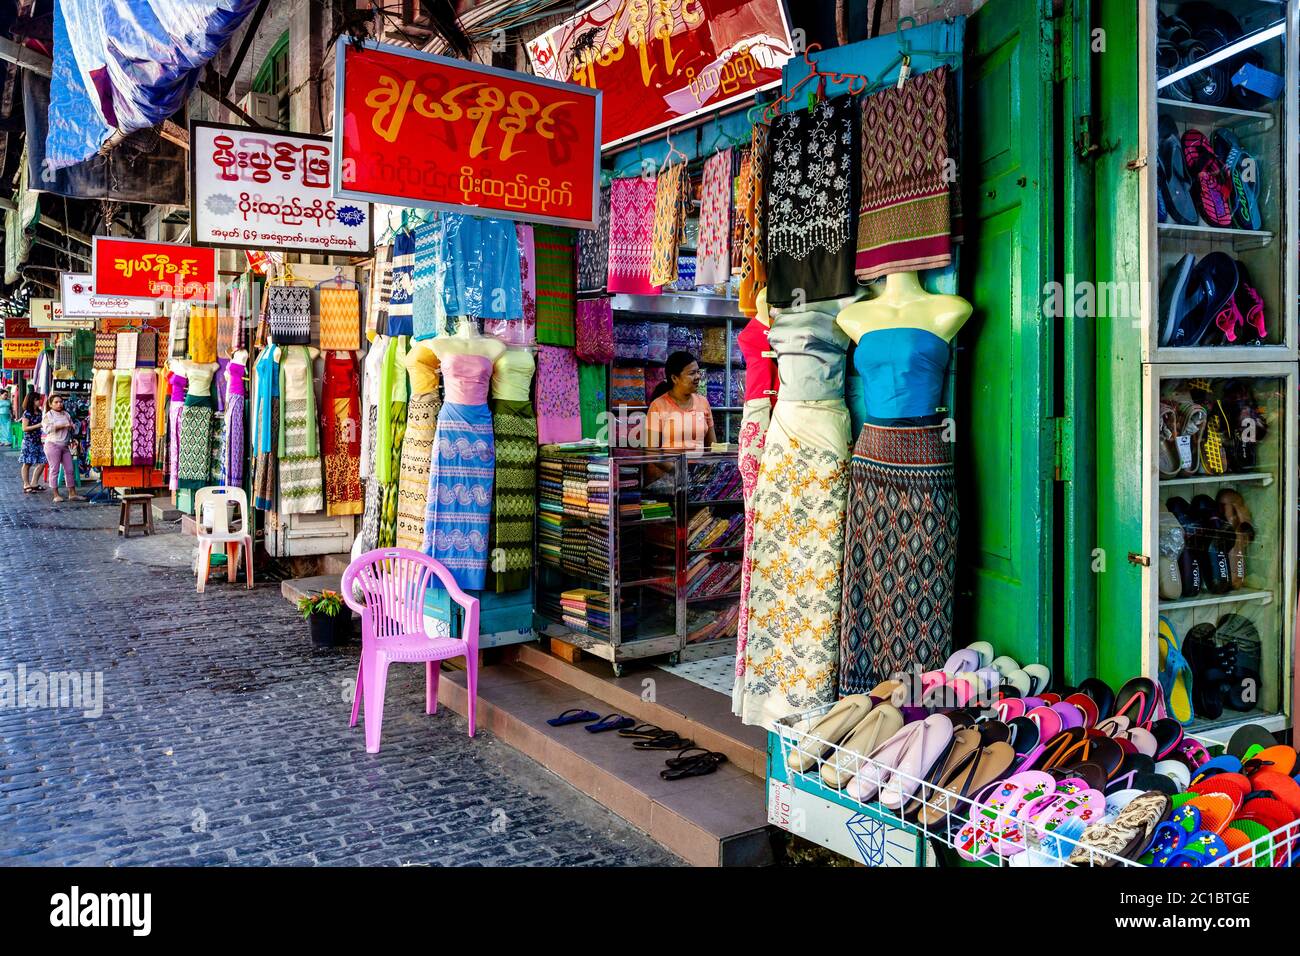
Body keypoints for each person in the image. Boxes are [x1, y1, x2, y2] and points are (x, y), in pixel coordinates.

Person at [646, 350, 716, 450]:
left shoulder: (703, 402)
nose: (698, 377)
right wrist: (675, 466)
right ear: (674, 378)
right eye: (692, 373)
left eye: (698, 372)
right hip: (671, 464)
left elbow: (712, 446)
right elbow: (651, 451)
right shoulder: (658, 406)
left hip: (699, 464)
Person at [41, 394, 83, 503]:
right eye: (56, 402)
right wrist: (63, 426)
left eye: (60, 402)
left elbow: (70, 429)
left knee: (69, 470)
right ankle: (56, 494)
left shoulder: (66, 414)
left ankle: (72, 493)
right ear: (50, 404)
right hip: (52, 445)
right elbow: (46, 429)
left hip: (65, 446)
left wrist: (72, 436)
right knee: (54, 470)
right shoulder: (48, 415)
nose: (59, 404)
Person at [18, 391, 46, 492]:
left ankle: (34, 483)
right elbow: (24, 428)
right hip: (29, 442)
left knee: (42, 462)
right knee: (27, 463)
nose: (40, 401)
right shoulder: (27, 413)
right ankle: (26, 484)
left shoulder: (39, 412)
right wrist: (38, 425)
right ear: (33, 401)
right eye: (38, 399)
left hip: (38, 441)